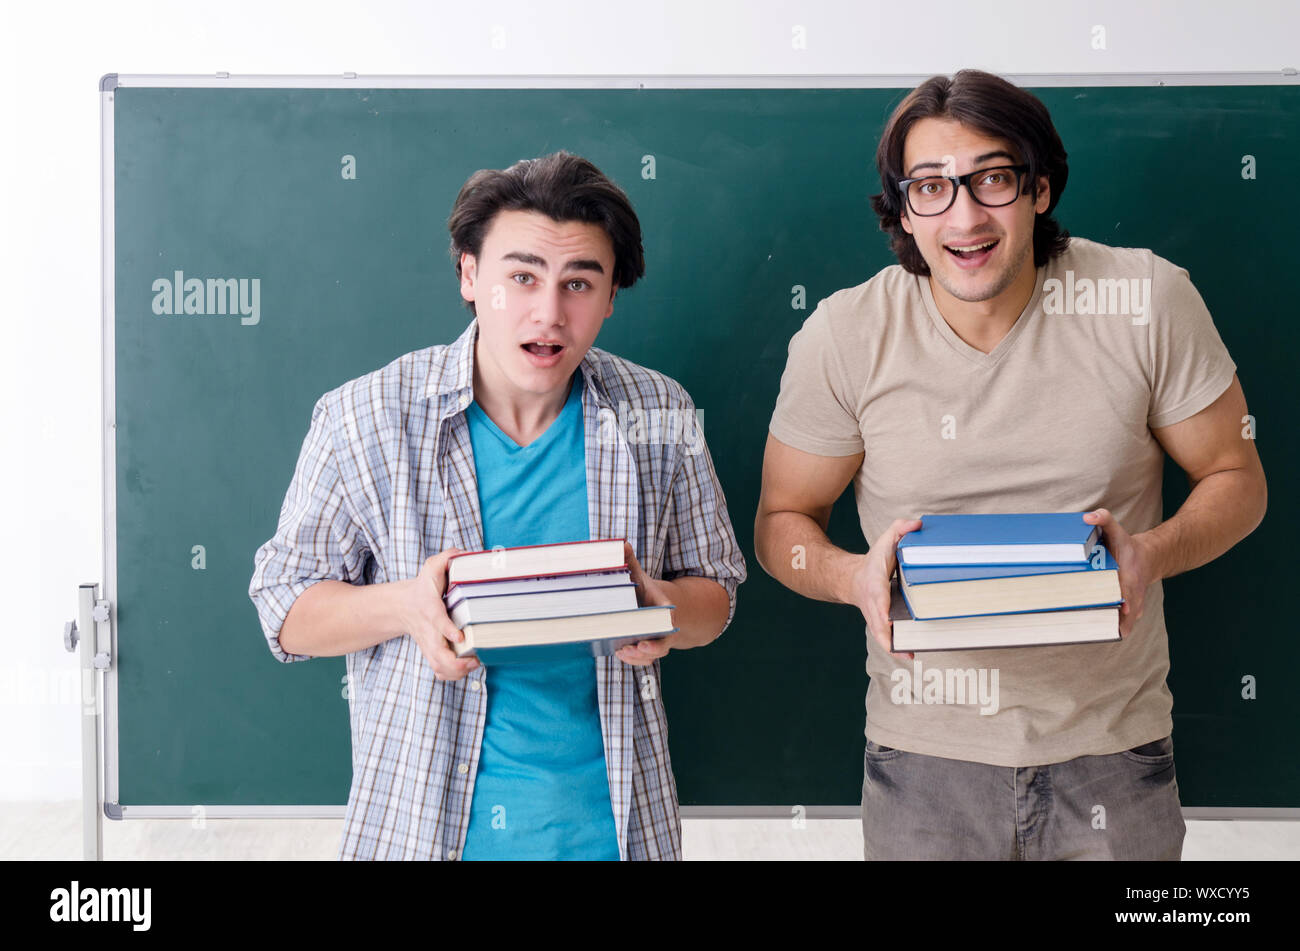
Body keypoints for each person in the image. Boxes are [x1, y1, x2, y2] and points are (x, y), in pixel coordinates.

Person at [754, 69, 1266, 860]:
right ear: (901, 210)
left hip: (1113, 755)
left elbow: (1237, 479)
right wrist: (853, 578)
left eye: (992, 178)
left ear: (1040, 186)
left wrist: (1150, 555)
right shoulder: (844, 335)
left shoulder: (1145, 300)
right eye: (930, 187)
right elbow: (781, 523)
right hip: (922, 764)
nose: (965, 215)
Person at [249, 150, 746, 860]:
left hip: (616, 835)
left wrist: (662, 606)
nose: (549, 313)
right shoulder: (366, 416)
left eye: (579, 282)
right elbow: (284, 608)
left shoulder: (658, 411)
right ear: (469, 276)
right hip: (423, 834)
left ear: (610, 298)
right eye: (522, 277)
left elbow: (717, 593)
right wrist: (406, 607)